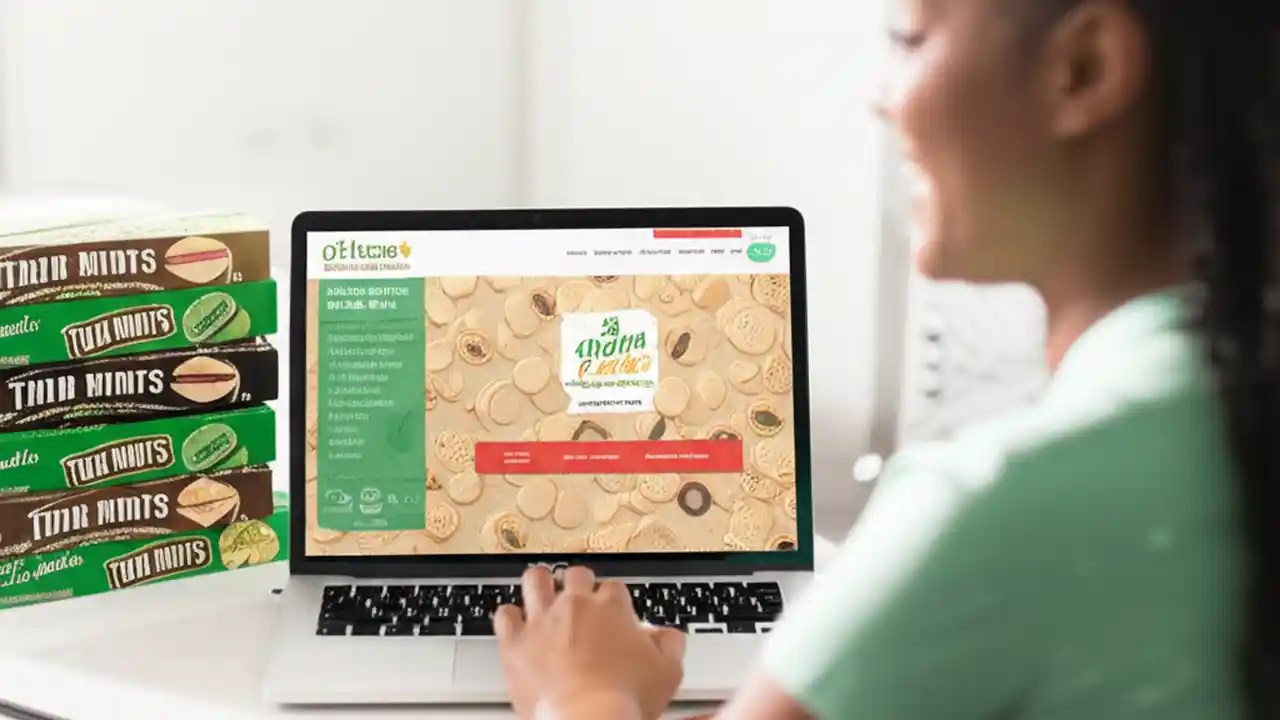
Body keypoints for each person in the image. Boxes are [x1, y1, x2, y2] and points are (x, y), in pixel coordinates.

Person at [493, 0, 1280, 718]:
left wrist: (580, 689)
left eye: (911, 40)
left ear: (1086, 69)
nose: (881, 96)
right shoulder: (1224, 407)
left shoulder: (999, 499)